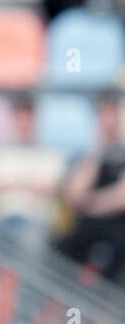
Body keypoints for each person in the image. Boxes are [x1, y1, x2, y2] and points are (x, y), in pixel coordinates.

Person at [53, 94, 125, 280]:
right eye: (103, 114)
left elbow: (120, 198)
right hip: (87, 228)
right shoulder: (88, 155)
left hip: (118, 230)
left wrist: (91, 203)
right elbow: (73, 195)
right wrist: (97, 152)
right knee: (62, 250)